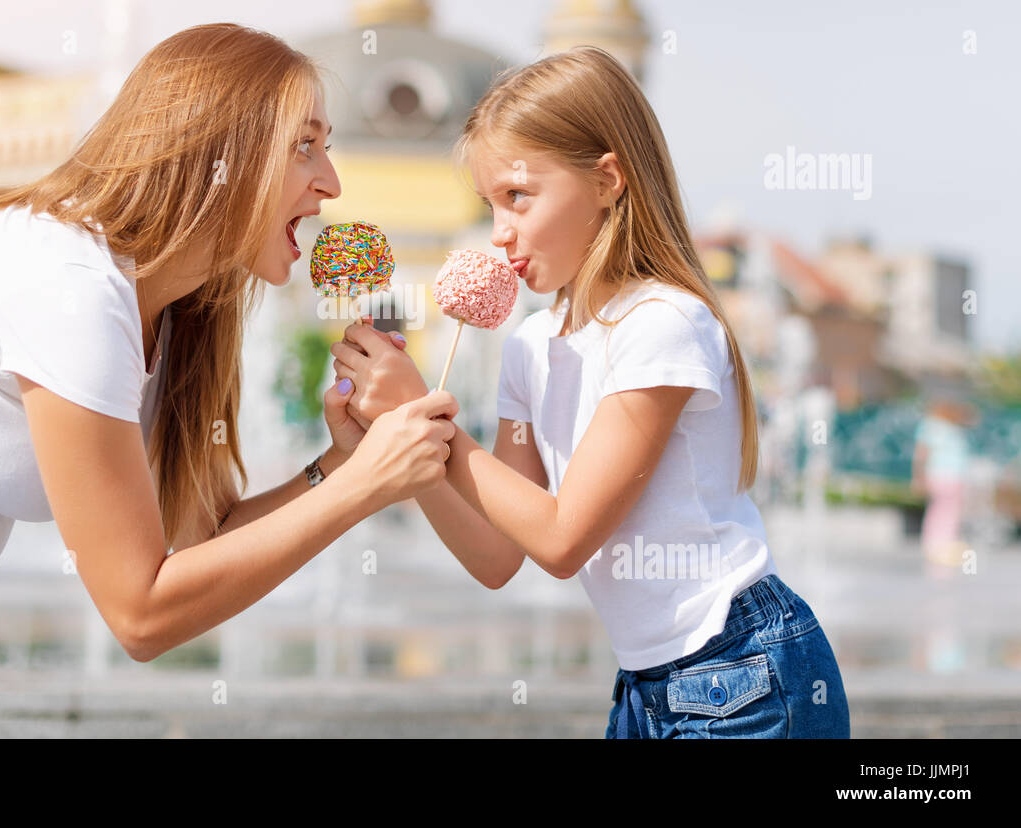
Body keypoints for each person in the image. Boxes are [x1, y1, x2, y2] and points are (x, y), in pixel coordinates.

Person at [0, 22, 458, 738]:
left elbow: (206, 540)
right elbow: (141, 614)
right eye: (304, 148)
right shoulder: (71, 284)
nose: (330, 182)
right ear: (215, 154)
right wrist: (369, 487)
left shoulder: (171, 311)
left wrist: (341, 467)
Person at [329, 45, 850, 738]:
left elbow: (564, 537)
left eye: (518, 196)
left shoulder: (662, 323)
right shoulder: (527, 347)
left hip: (743, 671)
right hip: (647, 687)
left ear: (607, 179)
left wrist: (439, 432)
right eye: (489, 204)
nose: (499, 232)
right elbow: (495, 554)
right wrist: (407, 430)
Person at [912, 399, 976, 568]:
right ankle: (938, 545)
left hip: (952, 476)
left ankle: (940, 544)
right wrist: (919, 476)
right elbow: (922, 453)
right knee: (944, 511)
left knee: (945, 510)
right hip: (942, 475)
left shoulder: (949, 427)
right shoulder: (934, 426)